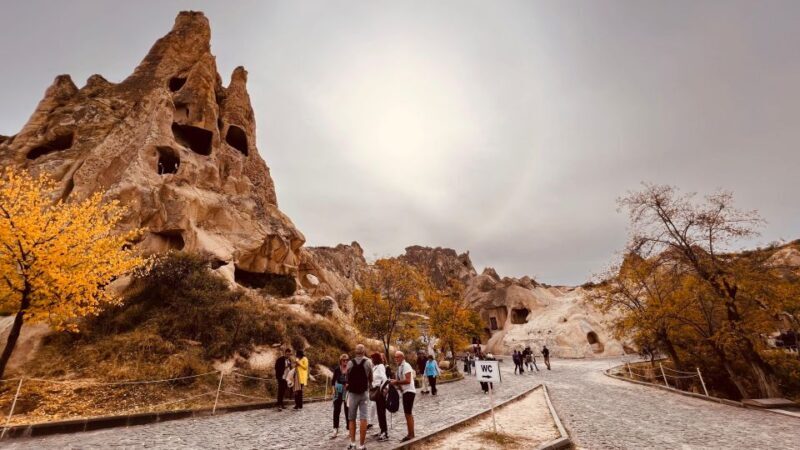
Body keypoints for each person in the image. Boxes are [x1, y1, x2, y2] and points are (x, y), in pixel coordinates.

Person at [346, 344, 373, 450]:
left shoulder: (350, 363)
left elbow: (347, 377)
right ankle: (362, 445)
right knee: (363, 418)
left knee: (351, 418)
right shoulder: (368, 362)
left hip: (352, 394)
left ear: (355, 351)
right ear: (364, 351)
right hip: (364, 393)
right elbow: (370, 377)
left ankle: (353, 443)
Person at [391, 351, 416, 442]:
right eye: (395, 357)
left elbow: (408, 380)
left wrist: (396, 382)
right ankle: (411, 433)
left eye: (397, 357)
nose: (396, 359)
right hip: (405, 392)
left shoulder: (406, 365)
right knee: (408, 413)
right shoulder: (400, 367)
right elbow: (400, 381)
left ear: (402, 357)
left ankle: (410, 434)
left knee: (408, 414)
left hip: (409, 391)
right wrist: (394, 383)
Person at [370, 352, 389, 441]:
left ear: (375, 359)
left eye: (372, 359)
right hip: (376, 391)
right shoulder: (375, 367)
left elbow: (384, 379)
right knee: (379, 412)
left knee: (381, 412)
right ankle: (382, 430)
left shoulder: (380, 366)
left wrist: (382, 389)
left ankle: (385, 432)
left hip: (380, 392)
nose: (371, 360)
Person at [331, 354, 350, 438]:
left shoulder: (349, 369)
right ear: (340, 361)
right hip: (338, 390)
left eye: (347, 360)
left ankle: (349, 428)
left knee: (347, 410)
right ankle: (335, 428)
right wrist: (333, 390)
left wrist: (349, 384)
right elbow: (333, 381)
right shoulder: (337, 369)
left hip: (347, 391)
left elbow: (352, 380)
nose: (345, 362)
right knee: (336, 410)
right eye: (343, 360)